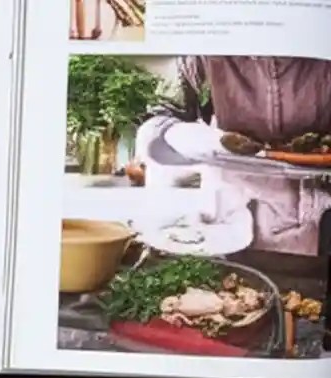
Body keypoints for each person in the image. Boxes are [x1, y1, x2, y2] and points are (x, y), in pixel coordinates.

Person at [135, 56, 331, 257]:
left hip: (317, 218)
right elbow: (154, 124)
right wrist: (197, 139)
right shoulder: (201, 55)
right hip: (228, 223)